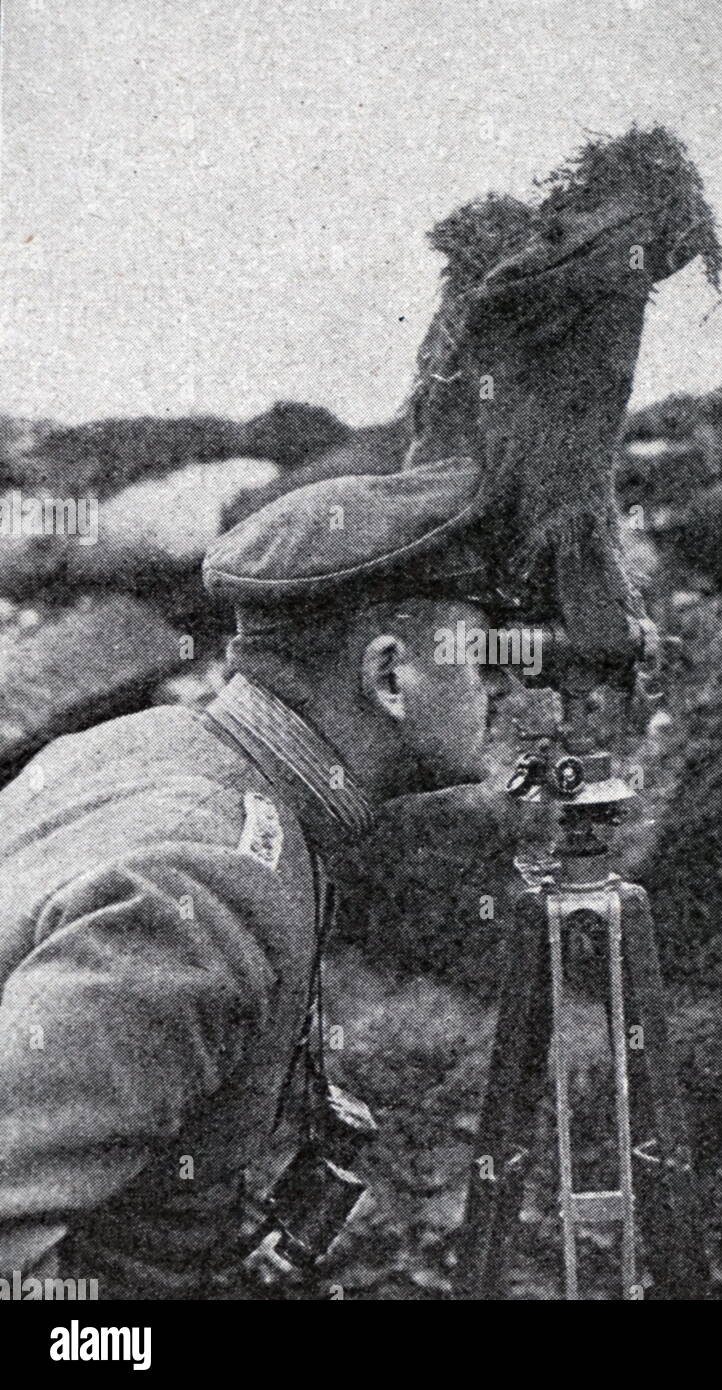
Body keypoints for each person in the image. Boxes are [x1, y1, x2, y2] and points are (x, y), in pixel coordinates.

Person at [0, 456, 516, 1298]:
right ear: (389, 677)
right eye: (481, 656)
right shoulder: (201, 893)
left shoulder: (139, 746)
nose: (505, 683)